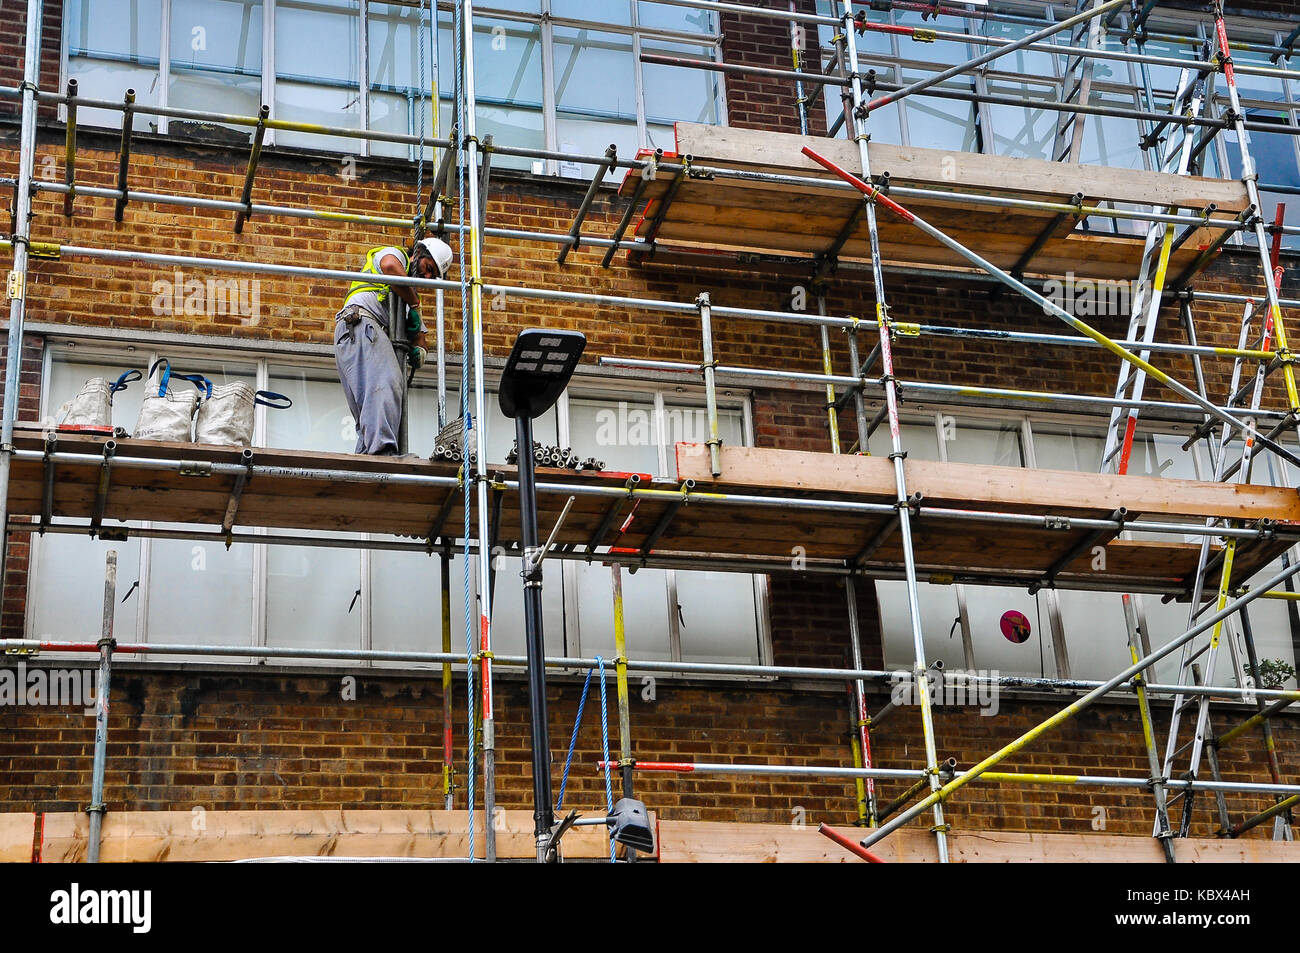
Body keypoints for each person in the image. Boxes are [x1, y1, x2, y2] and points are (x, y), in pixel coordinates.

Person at [335, 237, 453, 455]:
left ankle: (367, 456)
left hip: (354, 334)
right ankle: (382, 452)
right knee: (387, 380)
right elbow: (390, 267)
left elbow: (421, 336)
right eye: (428, 268)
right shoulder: (397, 257)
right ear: (418, 253)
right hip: (361, 323)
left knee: (367, 403)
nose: (427, 277)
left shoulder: (406, 295)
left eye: (433, 276)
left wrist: (421, 349)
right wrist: (415, 304)